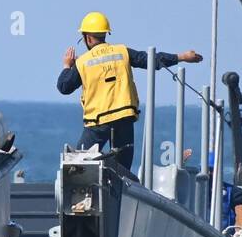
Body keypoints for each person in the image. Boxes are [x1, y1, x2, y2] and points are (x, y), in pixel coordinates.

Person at [56, 11, 202, 169]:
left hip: (97, 123)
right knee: (123, 170)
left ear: (88, 38)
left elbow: (64, 87)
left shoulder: (83, 62)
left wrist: (67, 66)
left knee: (78, 164)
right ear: (105, 33)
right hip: (124, 117)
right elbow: (151, 59)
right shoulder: (122, 52)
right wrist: (182, 56)